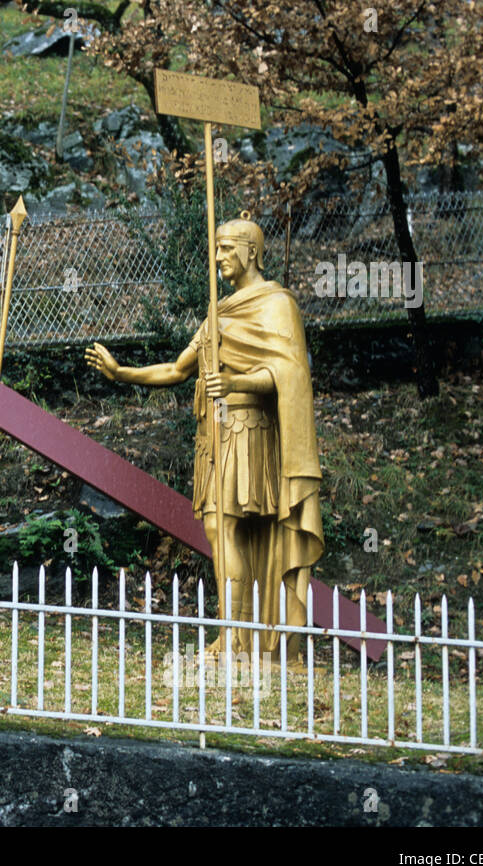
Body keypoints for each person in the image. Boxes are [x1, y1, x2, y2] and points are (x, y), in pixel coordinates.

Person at [85, 213, 323, 660]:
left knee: (241, 528)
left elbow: (290, 373)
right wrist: (121, 373)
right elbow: (178, 369)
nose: (218, 258)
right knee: (218, 528)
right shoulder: (220, 310)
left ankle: (249, 638)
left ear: (251, 252)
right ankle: (234, 633)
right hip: (216, 433)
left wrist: (239, 383)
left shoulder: (277, 304)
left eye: (227, 248)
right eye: (215, 249)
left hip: (254, 432)